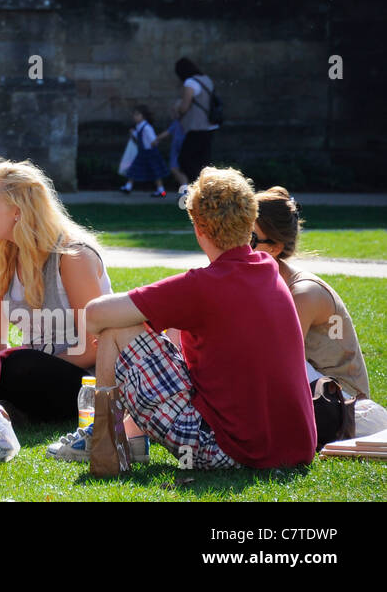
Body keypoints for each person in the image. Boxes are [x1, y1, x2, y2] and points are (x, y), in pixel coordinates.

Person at [70, 167, 316, 474]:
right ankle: (116, 439)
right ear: (250, 222)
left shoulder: (202, 285)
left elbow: (93, 314)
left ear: (198, 227)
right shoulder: (266, 266)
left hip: (234, 450)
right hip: (294, 448)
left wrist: (121, 330)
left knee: (115, 331)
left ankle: (104, 442)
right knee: (143, 325)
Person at [0, 158, 112, 424]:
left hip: (88, 379)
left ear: (18, 210)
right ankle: (7, 410)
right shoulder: (3, 256)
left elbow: (94, 347)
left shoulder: (72, 256)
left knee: (20, 365)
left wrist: (30, 364)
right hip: (36, 374)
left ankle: (5, 408)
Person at [253, 187, 371, 402]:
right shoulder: (263, 283)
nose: (236, 246)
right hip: (317, 392)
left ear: (275, 247)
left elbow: (275, 361)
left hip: (346, 404)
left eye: (250, 239)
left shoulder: (304, 293)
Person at [171, 58, 219, 183]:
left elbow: (184, 107)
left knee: (185, 160)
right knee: (203, 161)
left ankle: (197, 186)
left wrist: (177, 107)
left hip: (196, 127)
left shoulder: (190, 83)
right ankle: (205, 188)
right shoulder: (206, 80)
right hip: (210, 126)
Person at [119, 105, 168, 197]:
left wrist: (152, 145)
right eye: (134, 115)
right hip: (143, 152)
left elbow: (153, 140)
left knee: (155, 172)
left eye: (137, 114)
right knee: (134, 168)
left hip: (150, 153)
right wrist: (133, 133)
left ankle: (162, 191)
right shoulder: (139, 127)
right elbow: (139, 138)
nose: (135, 117)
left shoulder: (146, 128)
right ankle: (128, 187)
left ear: (143, 116)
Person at [153, 111, 190, 192]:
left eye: (175, 111)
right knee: (177, 170)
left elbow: (167, 133)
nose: (172, 113)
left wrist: (155, 139)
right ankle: (185, 189)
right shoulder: (179, 123)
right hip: (178, 149)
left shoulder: (180, 123)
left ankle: (185, 189)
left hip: (180, 150)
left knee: (175, 169)